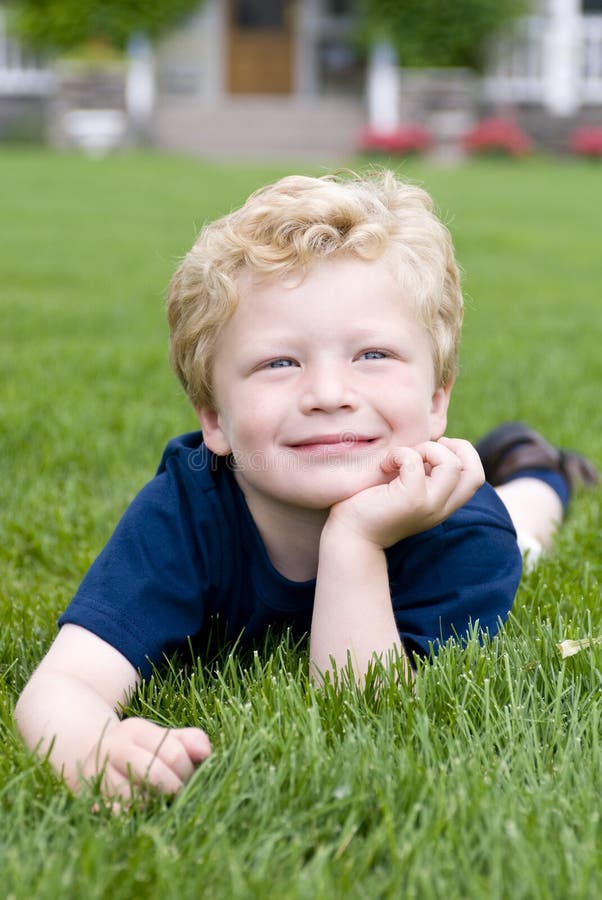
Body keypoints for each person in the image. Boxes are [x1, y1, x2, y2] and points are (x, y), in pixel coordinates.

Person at [14, 171, 597, 801]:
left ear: (435, 400)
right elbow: (65, 681)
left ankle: (542, 470)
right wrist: (89, 744)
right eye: (279, 363)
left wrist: (355, 539)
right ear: (214, 418)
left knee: (524, 534)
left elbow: (367, 716)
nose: (327, 395)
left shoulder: (462, 533)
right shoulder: (186, 509)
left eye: (372, 354)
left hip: (459, 517)